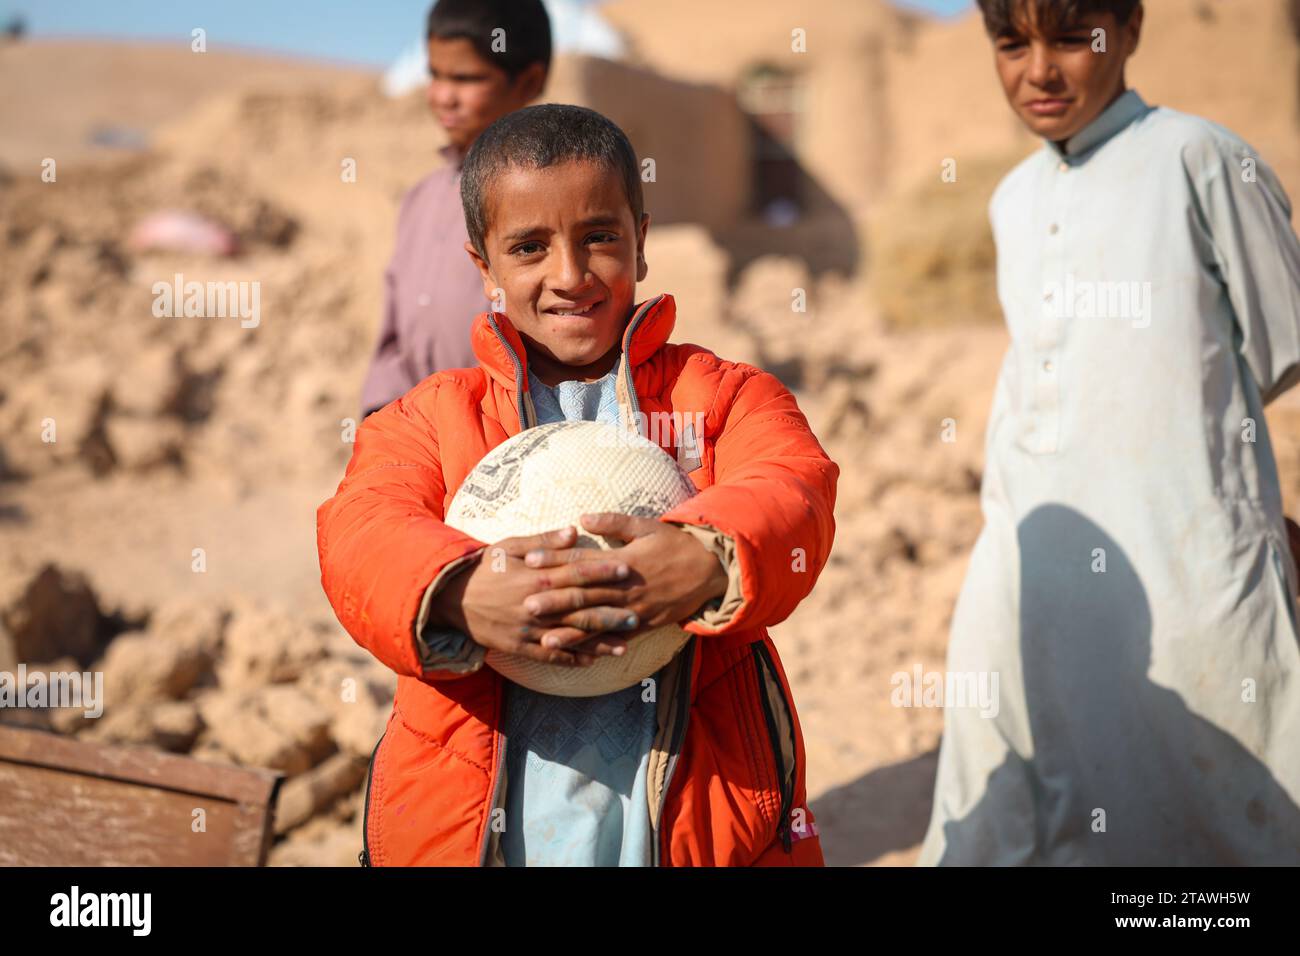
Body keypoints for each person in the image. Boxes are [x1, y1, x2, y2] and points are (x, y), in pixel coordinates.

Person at [317, 104, 839, 866]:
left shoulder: (722, 397)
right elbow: (361, 530)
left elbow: (795, 488)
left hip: (691, 816)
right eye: (529, 247)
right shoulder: (430, 419)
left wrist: (708, 557)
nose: (569, 275)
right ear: (484, 268)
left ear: (642, 241)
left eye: (599, 237)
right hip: (488, 819)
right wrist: (459, 591)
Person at [920, 0, 1300, 865]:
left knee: (1222, 801)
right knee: (1023, 793)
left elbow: (1280, 346)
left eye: (1070, 39)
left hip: (1187, 546)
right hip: (1032, 544)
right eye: (1011, 44)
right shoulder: (1014, 200)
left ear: (1128, 31)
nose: (1039, 71)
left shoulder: (1202, 159)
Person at [359, 0, 551, 419]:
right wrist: (379, 419)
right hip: (417, 432)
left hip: (510, 430)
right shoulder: (420, 199)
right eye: (435, 75)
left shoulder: (548, 194)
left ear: (528, 82)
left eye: (465, 78)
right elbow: (393, 339)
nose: (443, 96)